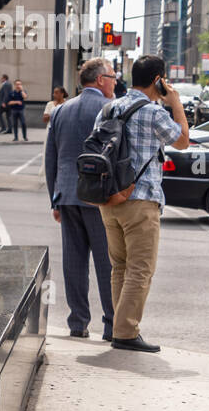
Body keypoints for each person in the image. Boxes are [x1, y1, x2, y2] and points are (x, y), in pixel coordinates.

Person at [94, 54, 190, 353]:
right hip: (141, 199)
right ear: (158, 79)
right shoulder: (153, 112)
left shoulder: (109, 107)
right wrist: (175, 102)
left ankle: (118, 328)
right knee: (141, 269)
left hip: (109, 198)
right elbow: (183, 141)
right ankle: (126, 332)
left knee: (120, 266)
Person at [44, 59, 117, 341]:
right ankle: (111, 325)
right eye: (112, 76)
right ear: (100, 80)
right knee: (106, 263)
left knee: (74, 261)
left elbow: (51, 158)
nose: (115, 81)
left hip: (66, 195)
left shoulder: (61, 110)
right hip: (98, 197)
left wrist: (55, 199)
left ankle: (78, 322)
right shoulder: (109, 109)